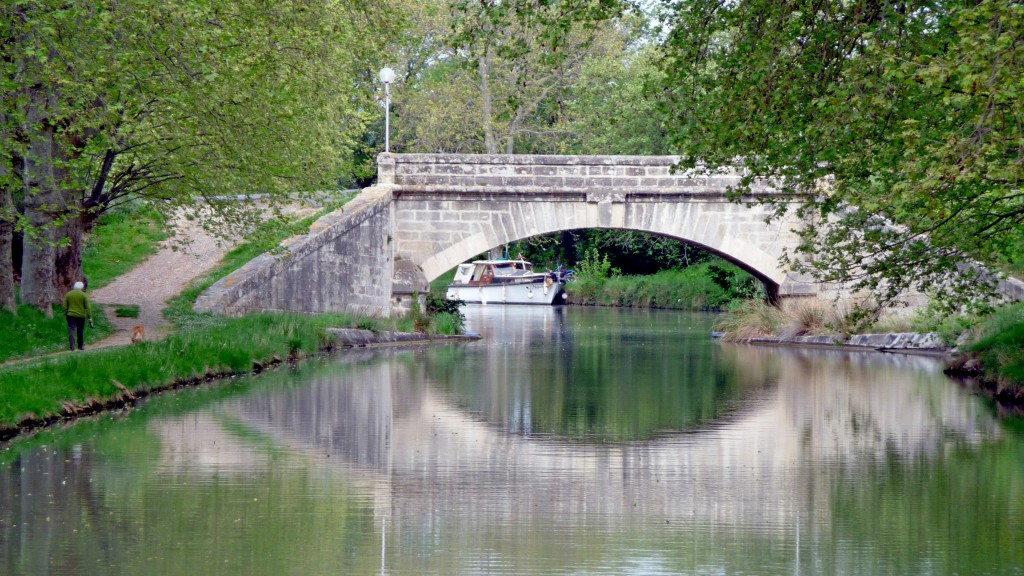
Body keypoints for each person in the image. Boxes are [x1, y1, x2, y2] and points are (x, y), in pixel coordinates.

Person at [62, 281, 93, 351]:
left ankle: (72, 346)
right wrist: (90, 317)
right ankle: (80, 346)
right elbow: (88, 307)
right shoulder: (83, 295)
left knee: (71, 329)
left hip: (70, 315)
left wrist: (66, 312)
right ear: (81, 288)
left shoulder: (68, 294)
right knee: (80, 330)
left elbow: (64, 306)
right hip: (81, 316)